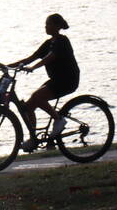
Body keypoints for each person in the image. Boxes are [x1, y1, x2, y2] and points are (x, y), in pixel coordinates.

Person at [8, 13, 80, 150]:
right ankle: (33, 138)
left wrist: (33, 68)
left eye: (48, 24)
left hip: (68, 80)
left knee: (37, 96)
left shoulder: (62, 41)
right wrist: (7, 66)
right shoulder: (49, 43)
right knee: (29, 106)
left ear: (57, 26)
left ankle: (59, 120)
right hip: (56, 80)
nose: (46, 27)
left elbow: (50, 57)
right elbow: (31, 58)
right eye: (45, 24)